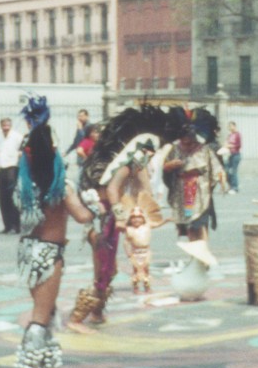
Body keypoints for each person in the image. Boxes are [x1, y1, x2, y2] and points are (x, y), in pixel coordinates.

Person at [8, 95, 100, 368]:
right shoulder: (62, 187)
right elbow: (83, 216)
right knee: (40, 315)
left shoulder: (24, 186)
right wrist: (99, 206)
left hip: (26, 253)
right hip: (49, 253)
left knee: (46, 311)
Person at [68, 105, 177, 333]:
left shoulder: (135, 163)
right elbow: (113, 189)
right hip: (104, 215)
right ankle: (76, 319)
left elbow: (142, 190)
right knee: (105, 268)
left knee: (107, 268)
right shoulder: (129, 163)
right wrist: (119, 216)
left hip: (104, 214)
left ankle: (96, 312)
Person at [164, 108, 225, 242]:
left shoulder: (204, 149)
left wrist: (221, 180)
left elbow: (216, 169)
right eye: (183, 139)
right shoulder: (174, 149)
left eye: (189, 139)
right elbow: (164, 169)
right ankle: (195, 254)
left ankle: (203, 253)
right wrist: (170, 165)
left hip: (201, 193)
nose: (186, 143)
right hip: (182, 194)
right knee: (189, 227)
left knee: (201, 225)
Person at [0, 117, 23, 234]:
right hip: (2, 168)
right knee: (3, 198)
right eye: (3, 125)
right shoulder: (0, 138)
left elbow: (22, 152)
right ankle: (7, 225)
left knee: (12, 198)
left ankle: (15, 225)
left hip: (12, 167)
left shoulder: (17, 137)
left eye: (7, 125)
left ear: (10, 125)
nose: (5, 127)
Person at [225, 121, 242, 194]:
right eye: (229, 126)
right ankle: (230, 185)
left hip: (236, 155)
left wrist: (230, 146)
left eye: (231, 126)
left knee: (233, 171)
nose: (229, 128)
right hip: (230, 155)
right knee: (227, 170)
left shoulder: (237, 134)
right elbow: (226, 143)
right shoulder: (229, 135)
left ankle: (235, 187)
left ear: (234, 126)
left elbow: (239, 145)